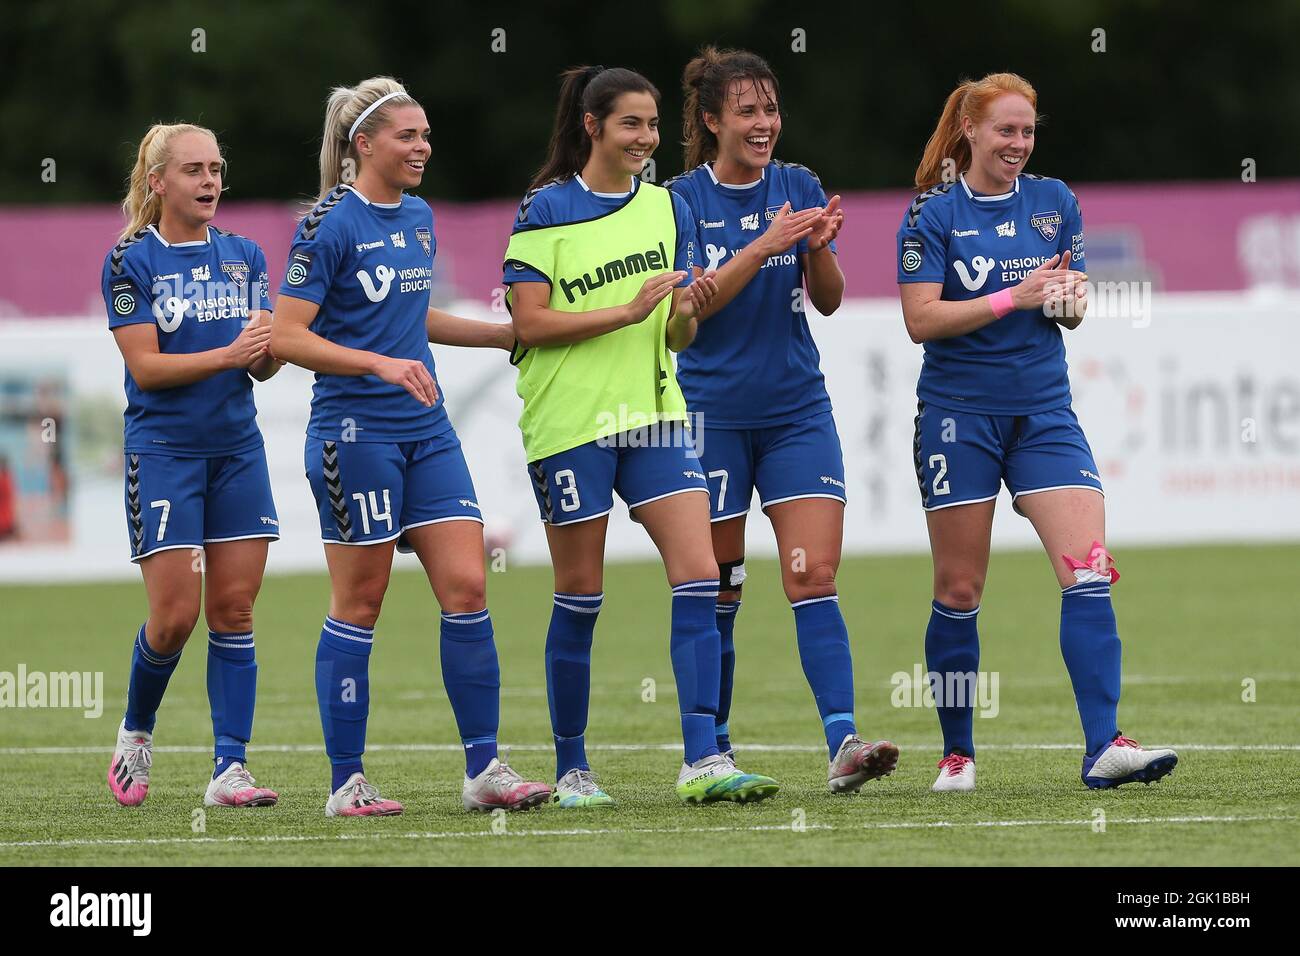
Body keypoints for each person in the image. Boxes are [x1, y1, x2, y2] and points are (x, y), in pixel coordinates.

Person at [271, 76, 551, 816]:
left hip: (426, 433)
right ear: (365, 144)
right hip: (353, 436)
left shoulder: (420, 217)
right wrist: (378, 363)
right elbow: (287, 335)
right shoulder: (329, 224)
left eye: (426, 134)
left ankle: (485, 770)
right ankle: (346, 782)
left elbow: (414, 313)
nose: (423, 146)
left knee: (468, 587)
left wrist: (501, 334)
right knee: (360, 603)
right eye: (408, 135)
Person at [503, 65, 780, 807]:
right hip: (569, 424)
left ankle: (703, 760)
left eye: (654, 125)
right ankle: (572, 770)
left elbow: (680, 335)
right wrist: (625, 313)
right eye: (631, 124)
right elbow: (528, 323)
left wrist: (685, 310)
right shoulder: (545, 209)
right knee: (581, 596)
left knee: (700, 576)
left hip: (655, 416)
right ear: (592, 126)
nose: (646, 139)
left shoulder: (666, 207)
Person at [895, 72, 1178, 791]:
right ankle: (957, 754)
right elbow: (920, 319)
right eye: (1005, 131)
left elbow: (1070, 311)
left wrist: (1067, 299)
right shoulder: (932, 214)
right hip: (959, 417)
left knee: (1087, 568)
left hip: (1045, 411)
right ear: (972, 133)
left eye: (1027, 131)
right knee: (959, 590)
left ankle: (1104, 746)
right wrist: (1010, 297)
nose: (1018, 143)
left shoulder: (1056, 204)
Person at [665, 46, 899, 794]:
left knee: (813, 573)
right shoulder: (678, 201)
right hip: (710, 418)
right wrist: (762, 244)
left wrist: (819, 252)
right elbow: (689, 310)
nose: (765, 124)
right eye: (748, 112)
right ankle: (715, 750)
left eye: (770, 110)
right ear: (711, 121)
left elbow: (826, 299)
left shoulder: (798, 185)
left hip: (798, 412)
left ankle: (843, 743)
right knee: (721, 586)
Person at [103, 123, 282, 809]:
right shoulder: (130, 260)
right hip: (166, 454)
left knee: (234, 610)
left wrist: (271, 347)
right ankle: (136, 732)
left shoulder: (245, 255)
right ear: (158, 183)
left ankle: (229, 769)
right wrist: (235, 353)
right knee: (174, 617)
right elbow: (147, 368)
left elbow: (261, 364)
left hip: (238, 451)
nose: (210, 182)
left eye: (217, 169)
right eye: (194, 170)